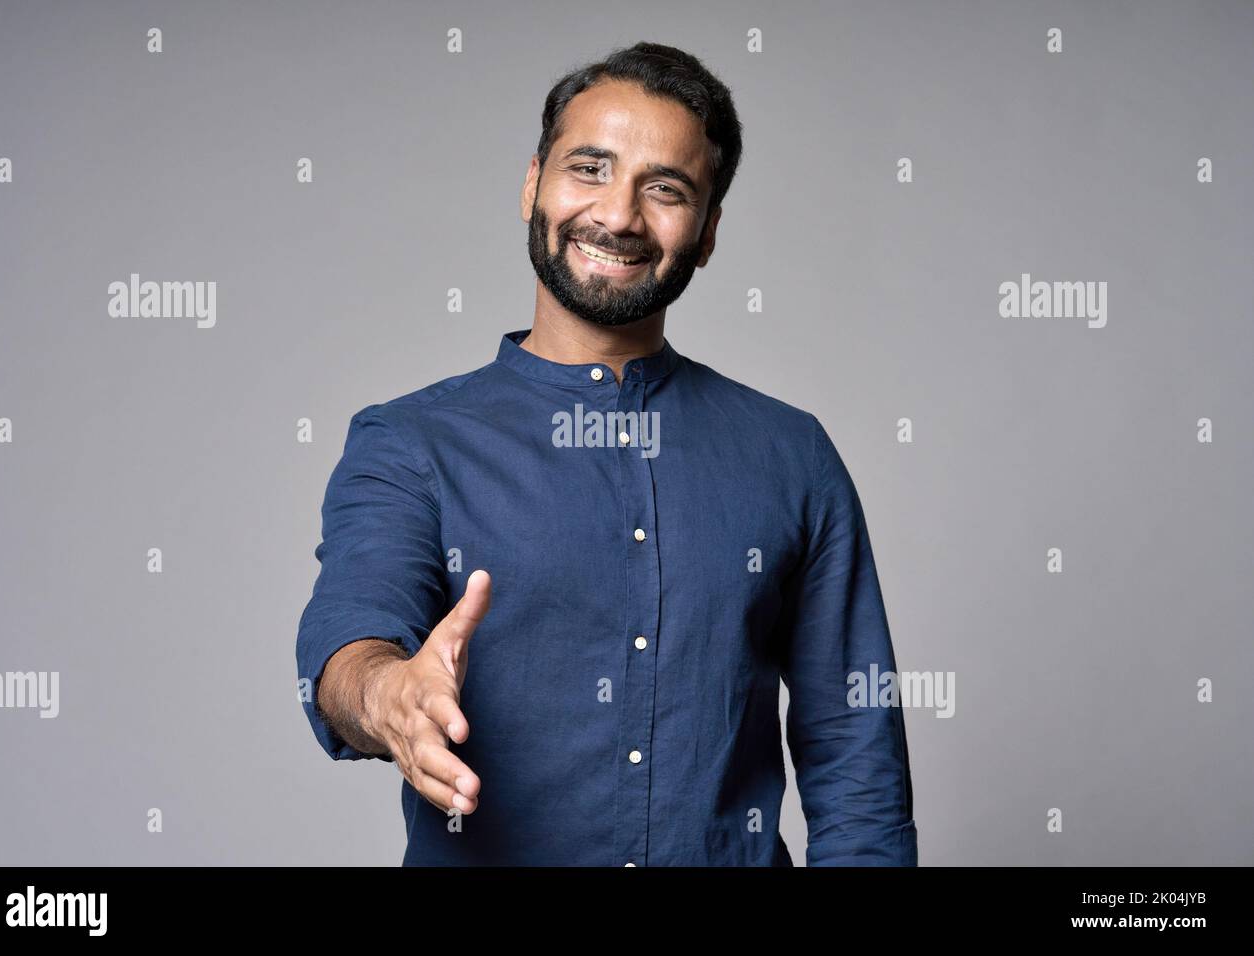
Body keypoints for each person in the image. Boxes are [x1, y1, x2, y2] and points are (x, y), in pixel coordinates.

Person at [296, 41, 917, 866]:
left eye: (665, 190)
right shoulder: (410, 442)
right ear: (532, 185)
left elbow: (855, 757)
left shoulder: (791, 453)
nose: (619, 215)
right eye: (589, 169)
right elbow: (350, 639)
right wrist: (387, 694)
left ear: (707, 233)